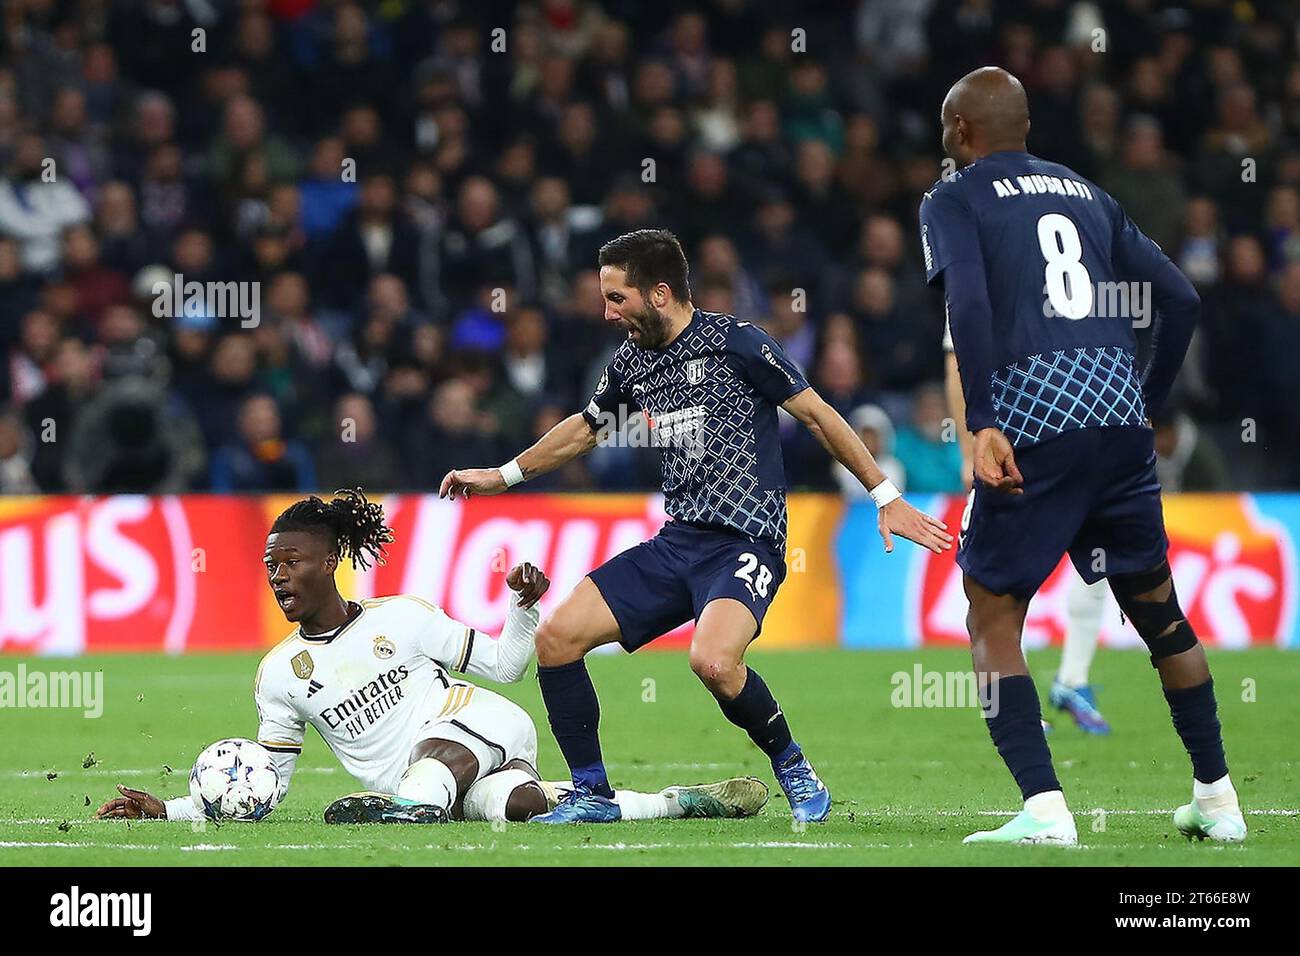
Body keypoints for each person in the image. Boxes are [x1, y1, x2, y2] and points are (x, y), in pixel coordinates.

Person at [441, 229, 952, 823]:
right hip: (676, 543)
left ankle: (794, 766)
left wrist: (884, 494)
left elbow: (815, 414)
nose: (608, 314)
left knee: (712, 661)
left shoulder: (738, 343)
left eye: (617, 298)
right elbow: (586, 428)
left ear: (659, 294)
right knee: (556, 642)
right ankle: (591, 794)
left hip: (746, 541)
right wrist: (501, 476)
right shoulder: (631, 363)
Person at [921, 67, 1243, 844]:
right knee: (1160, 612)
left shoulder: (952, 198)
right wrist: (1146, 400)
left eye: (944, 125)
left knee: (992, 611)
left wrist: (986, 420)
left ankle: (1044, 810)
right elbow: (1183, 297)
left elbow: (966, 302)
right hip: (1117, 420)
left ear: (963, 131)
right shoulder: (1085, 191)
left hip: (1035, 422)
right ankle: (1219, 800)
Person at [94, 490, 767, 825]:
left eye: (291, 562)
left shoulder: (405, 618)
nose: (278, 576)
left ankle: (413, 808)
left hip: (482, 726)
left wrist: (522, 608)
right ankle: (680, 803)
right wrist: (176, 810)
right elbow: (264, 781)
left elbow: (506, 666)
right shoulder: (277, 676)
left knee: (435, 762)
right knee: (528, 809)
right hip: (443, 782)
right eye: (271, 566)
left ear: (330, 562)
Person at [943, 322, 1111, 736]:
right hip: (1011, 447)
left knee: (1100, 557)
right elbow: (956, 365)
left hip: (1075, 437)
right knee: (1004, 582)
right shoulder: (977, 271)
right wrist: (970, 452)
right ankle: (1016, 703)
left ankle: (1072, 678)